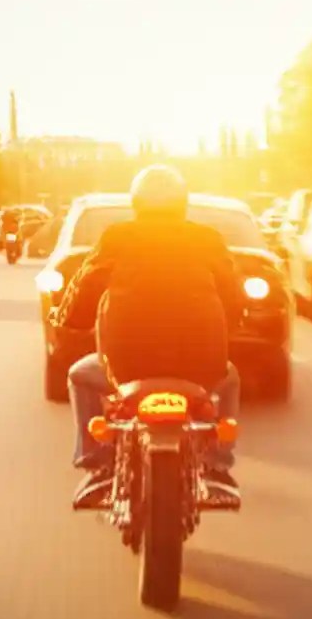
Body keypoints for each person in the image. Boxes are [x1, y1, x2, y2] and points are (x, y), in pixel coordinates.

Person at [52, 165, 246, 509]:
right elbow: (232, 294)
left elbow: (87, 284)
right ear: (182, 202)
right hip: (200, 361)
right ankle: (218, 463)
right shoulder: (206, 239)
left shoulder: (118, 236)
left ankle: (97, 462)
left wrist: (68, 318)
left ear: (137, 202)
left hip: (127, 361)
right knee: (229, 378)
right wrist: (229, 325)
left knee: (80, 376)